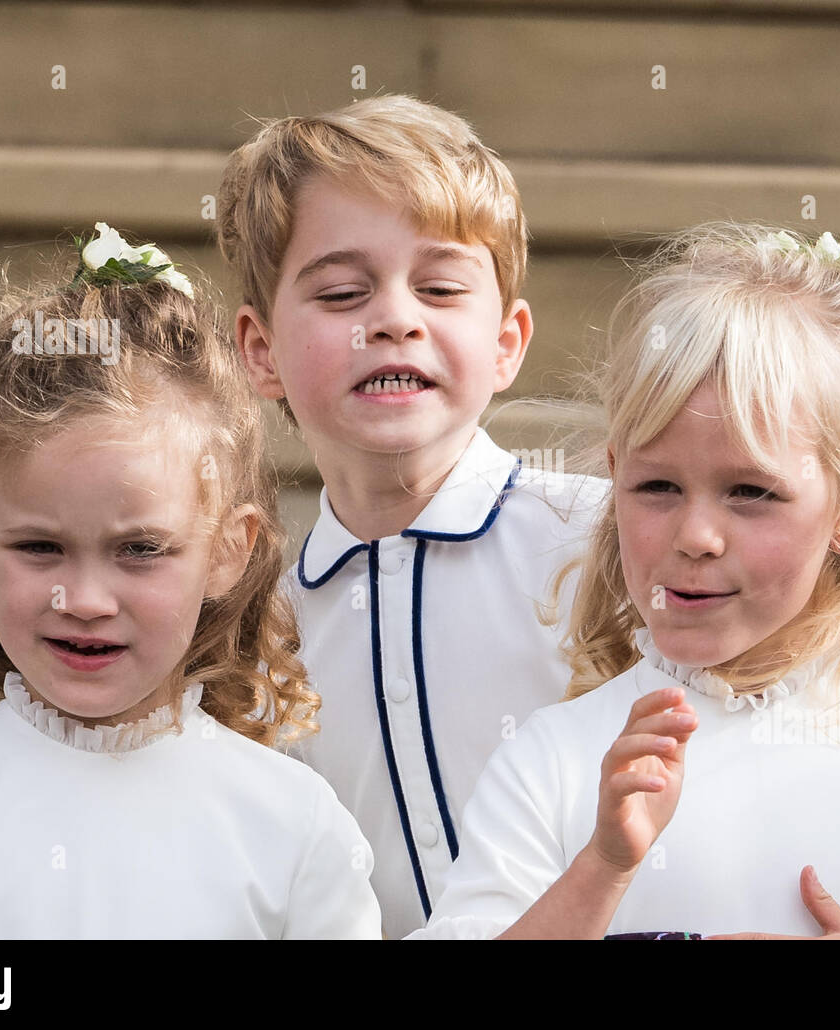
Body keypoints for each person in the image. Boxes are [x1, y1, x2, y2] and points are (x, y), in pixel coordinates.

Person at [411, 224, 840, 939]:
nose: (696, 536)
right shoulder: (557, 758)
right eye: (657, 485)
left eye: (751, 492)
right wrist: (603, 867)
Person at [0, 225, 381, 939]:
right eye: (40, 546)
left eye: (139, 549)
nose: (84, 600)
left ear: (230, 550)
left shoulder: (297, 828)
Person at [217, 95, 608, 937]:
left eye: (438, 287)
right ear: (260, 351)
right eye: (343, 292)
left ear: (506, 342)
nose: (395, 319)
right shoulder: (257, 633)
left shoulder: (606, 546)